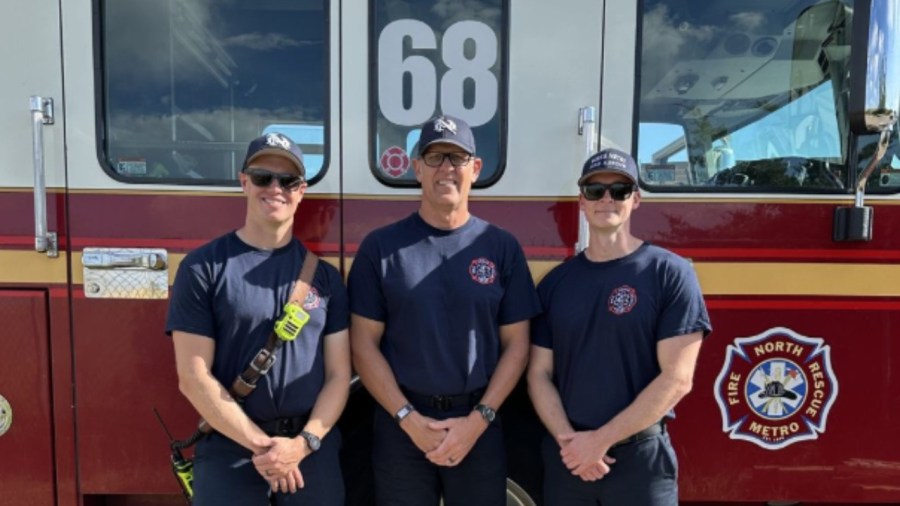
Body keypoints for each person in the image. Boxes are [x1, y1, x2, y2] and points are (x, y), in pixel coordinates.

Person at [348, 114, 541, 506]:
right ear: (417, 168)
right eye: (434, 157)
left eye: (457, 158)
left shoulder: (501, 247)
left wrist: (477, 421)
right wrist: (408, 419)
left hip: (478, 424)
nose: (446, 169)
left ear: (476, 168)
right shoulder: (380, 248)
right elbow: (362, 345)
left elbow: (518, 345)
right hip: (401, 426)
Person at [166, 133, 351, 505]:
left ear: (301, 191)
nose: (275, 188)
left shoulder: (326, 279)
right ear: (244, 181)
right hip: (230, 449)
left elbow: (338, 375)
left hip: (309, 455)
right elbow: (192, 376)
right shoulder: (204, 268)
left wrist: (302, 444)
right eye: (263, 177)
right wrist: (263, 447)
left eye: (288, 181)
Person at [527, 148, 711, 506]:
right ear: (582, 201)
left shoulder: (669, 273)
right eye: (595, 190)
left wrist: (599, 441)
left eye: (620, 190)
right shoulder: (555, 284)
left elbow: (678, 379)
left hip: (640, 461)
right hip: (569, 458)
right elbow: (538, 374)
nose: (606, 198)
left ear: (636, 199)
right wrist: (571, 443)